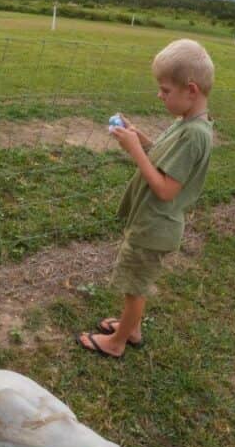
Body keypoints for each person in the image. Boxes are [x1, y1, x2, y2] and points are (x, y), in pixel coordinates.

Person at [76, 38, 215, 358]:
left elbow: (166, 189)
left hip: (155, 226)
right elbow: (161, 156)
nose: (160, 95)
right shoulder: (187, 123)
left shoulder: (194, 134)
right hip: (152, 223)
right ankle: (131, 327)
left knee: (134, 286)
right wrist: (138, 135)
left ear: (190, 90)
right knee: (135, 281)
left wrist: (134, 150)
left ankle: (118, 342)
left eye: (165, 90)